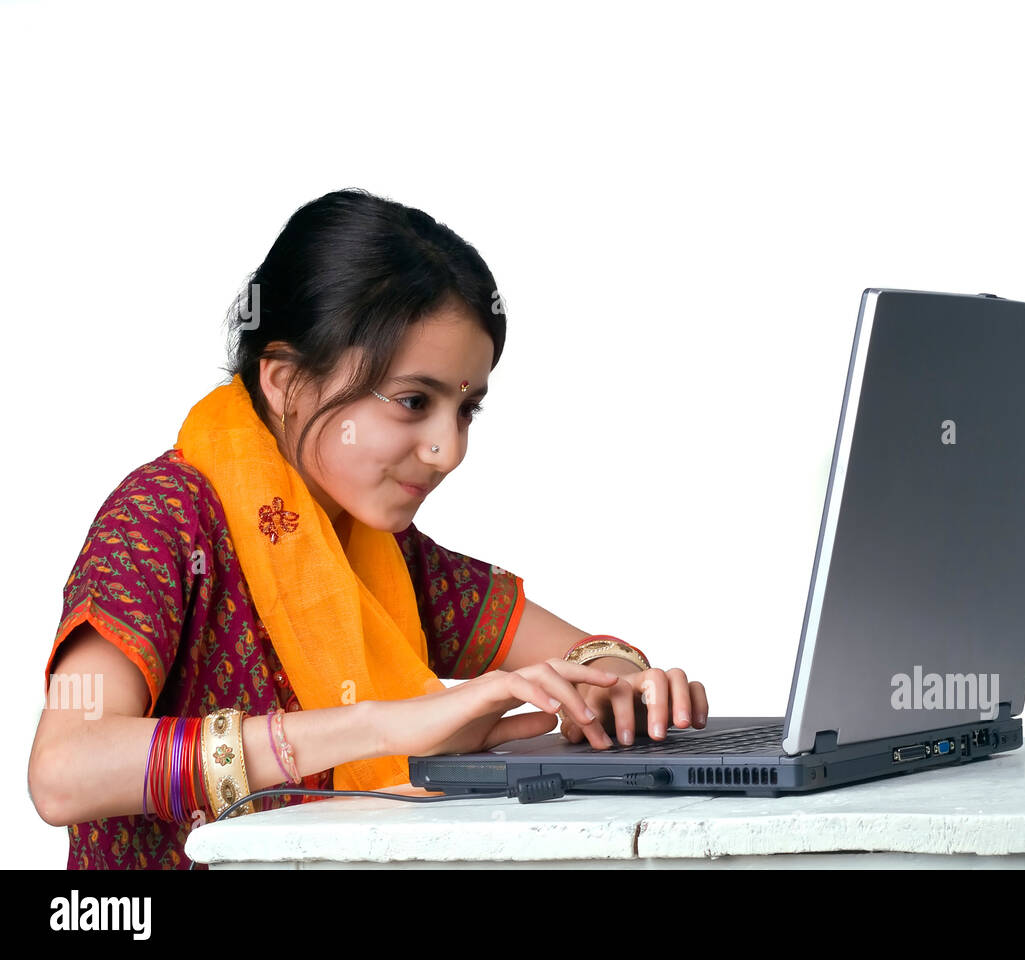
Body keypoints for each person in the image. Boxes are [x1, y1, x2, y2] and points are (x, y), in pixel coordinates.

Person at [27, 187, 709, 869]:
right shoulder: (161, 518)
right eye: (413, 401)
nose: (448, 450)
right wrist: (381, 726)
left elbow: (590, 654)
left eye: (465, 410)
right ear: (287, 383)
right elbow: (63, 769)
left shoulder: (382, 552)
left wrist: (621, 688)